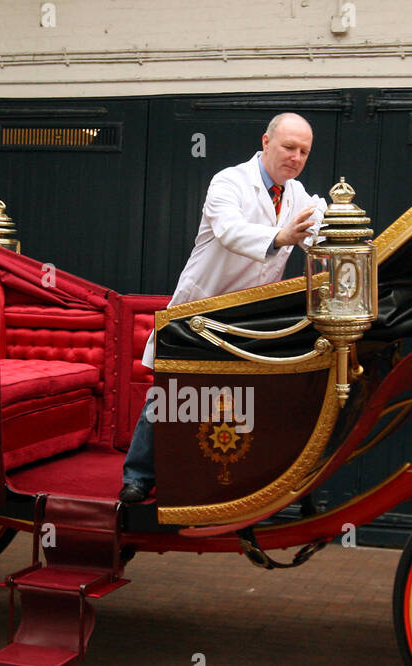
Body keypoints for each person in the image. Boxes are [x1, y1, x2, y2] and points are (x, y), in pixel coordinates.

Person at [119, 112, 326, 503]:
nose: (296, 157)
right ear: (266, 142)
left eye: (304, 151)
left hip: (251, 315)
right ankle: (139, 477)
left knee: (243, 396)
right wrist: (282, 235)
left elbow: (320, 239)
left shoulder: (299, 196)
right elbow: (230, 231)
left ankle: (220, 480)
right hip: (202, 308)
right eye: (288, 147)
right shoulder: (228, 181)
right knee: (170, 394)